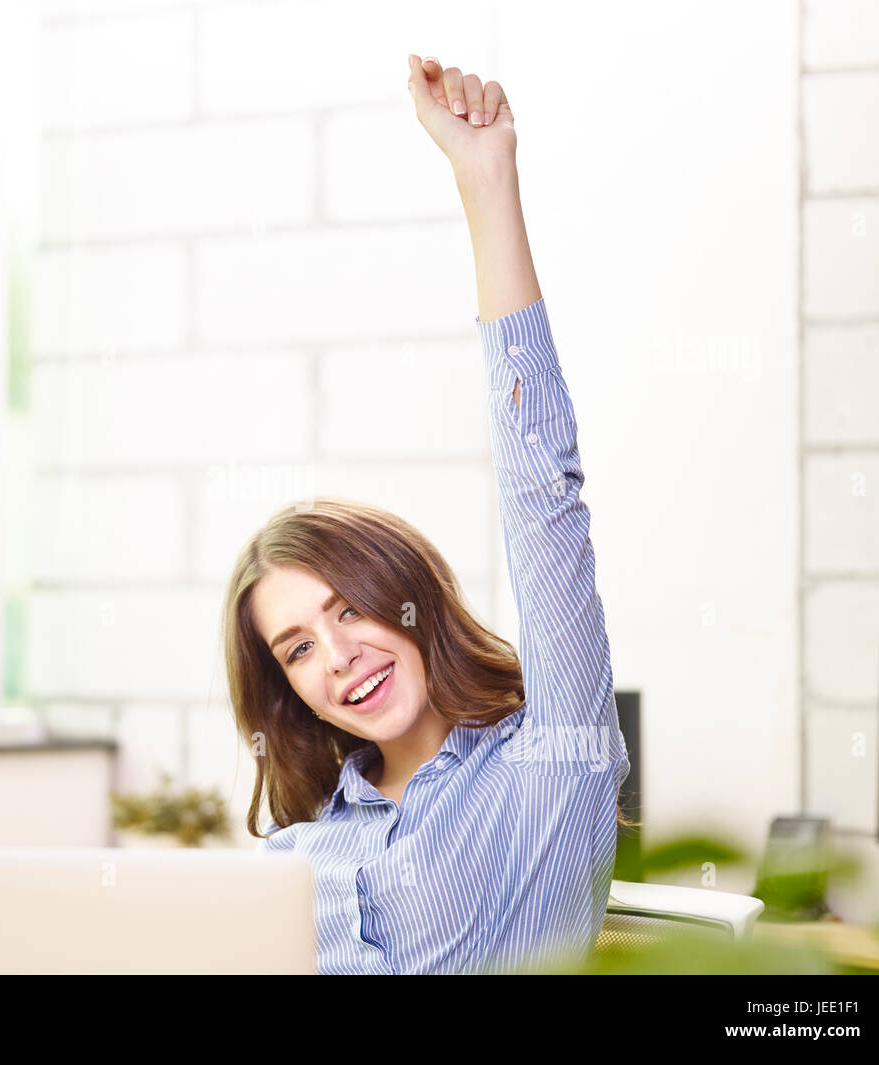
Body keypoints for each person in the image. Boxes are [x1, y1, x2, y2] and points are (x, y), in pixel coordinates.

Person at [222, 55, 631, 974]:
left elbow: (545, 503)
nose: (335, 659)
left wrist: (486, 183)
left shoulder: (548, 766)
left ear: (403, 595)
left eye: (346, 610)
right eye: (294, 648)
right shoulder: (290, 858)